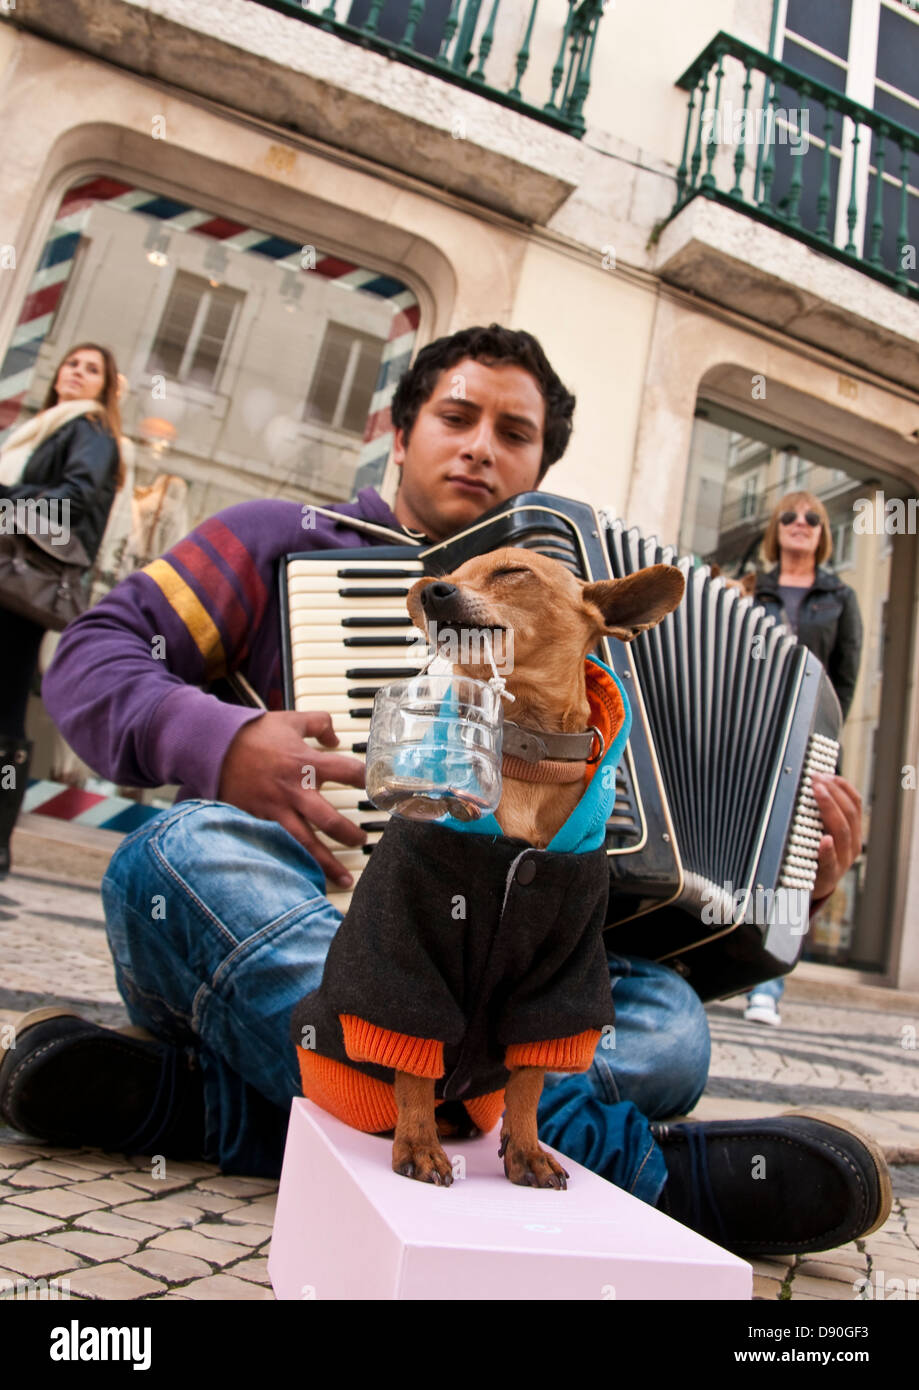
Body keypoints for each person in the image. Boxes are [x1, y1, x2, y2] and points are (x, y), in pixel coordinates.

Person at [0, 326, 888, 1259]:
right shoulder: (276, 538)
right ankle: (638, 1173)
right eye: (456, 416)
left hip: (491, 980)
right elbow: (93, 657)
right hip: (314, 923)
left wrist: (796, 879)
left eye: (514, 433)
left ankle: (196, 1107)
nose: (480, 446)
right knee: (178, 855)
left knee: (668, 1028)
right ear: (400, 429)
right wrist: (221, 741)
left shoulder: (567, 623)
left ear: (541, 464)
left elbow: (618, 934)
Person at [0, 342, 125, 876]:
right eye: (73, 363)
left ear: (105, 386)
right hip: (14, 581)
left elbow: (73, 498)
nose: (77, 372)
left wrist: (5, 498)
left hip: (19, 588)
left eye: (92, 369)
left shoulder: (90, 430)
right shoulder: (51, 425)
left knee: (6, 706)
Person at [744, 491, 863, 1028]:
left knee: (793, 865)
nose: (800, 523)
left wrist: (823, 747)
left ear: (822, 532)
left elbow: (844, 684)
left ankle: (767, 982)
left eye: (812, 518)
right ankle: (724, 960)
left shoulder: (841, 598)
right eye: (789, 515)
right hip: (752, 741)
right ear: (776, 527)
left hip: (807, 750)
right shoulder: (752, 589)